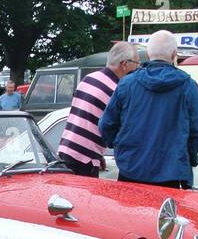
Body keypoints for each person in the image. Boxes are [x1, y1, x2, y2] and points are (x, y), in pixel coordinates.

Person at [99, 30, 198, 189]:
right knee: (166, 215)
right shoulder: (188, 86)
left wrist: (124, 149)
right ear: (174, 54)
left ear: (148, 55)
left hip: (131, 172)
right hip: (172, 176)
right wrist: (185, 157)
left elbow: (106, 125)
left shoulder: (126, 84)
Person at [56, 41, 138, 177]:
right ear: (124, 64)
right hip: (85, 161)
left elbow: (85, 119)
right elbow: (117, 129)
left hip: (66, 151)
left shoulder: (88, 79)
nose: (137, 69)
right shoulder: (116, 90)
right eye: (137, 64)